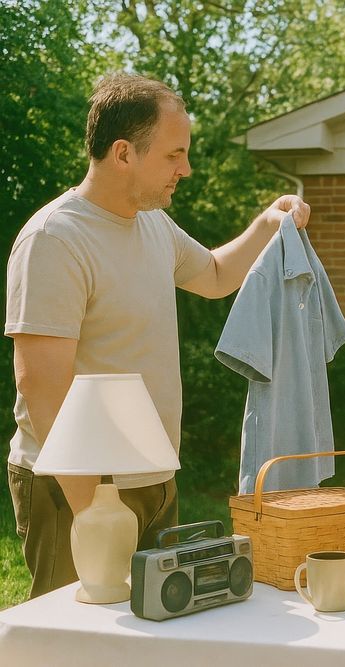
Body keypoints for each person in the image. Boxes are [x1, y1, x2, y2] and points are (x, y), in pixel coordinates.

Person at [5, 73, 310, 598]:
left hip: (152, 475)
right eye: (174, 155)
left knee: (150, 633)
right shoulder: (55, 238)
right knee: (77, 643)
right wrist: (91, 509)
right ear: (124, 152)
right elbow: (40, 386)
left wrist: (266, 224)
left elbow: (214, 275)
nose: (185, 170)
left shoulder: (152, 224)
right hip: (78, 487)